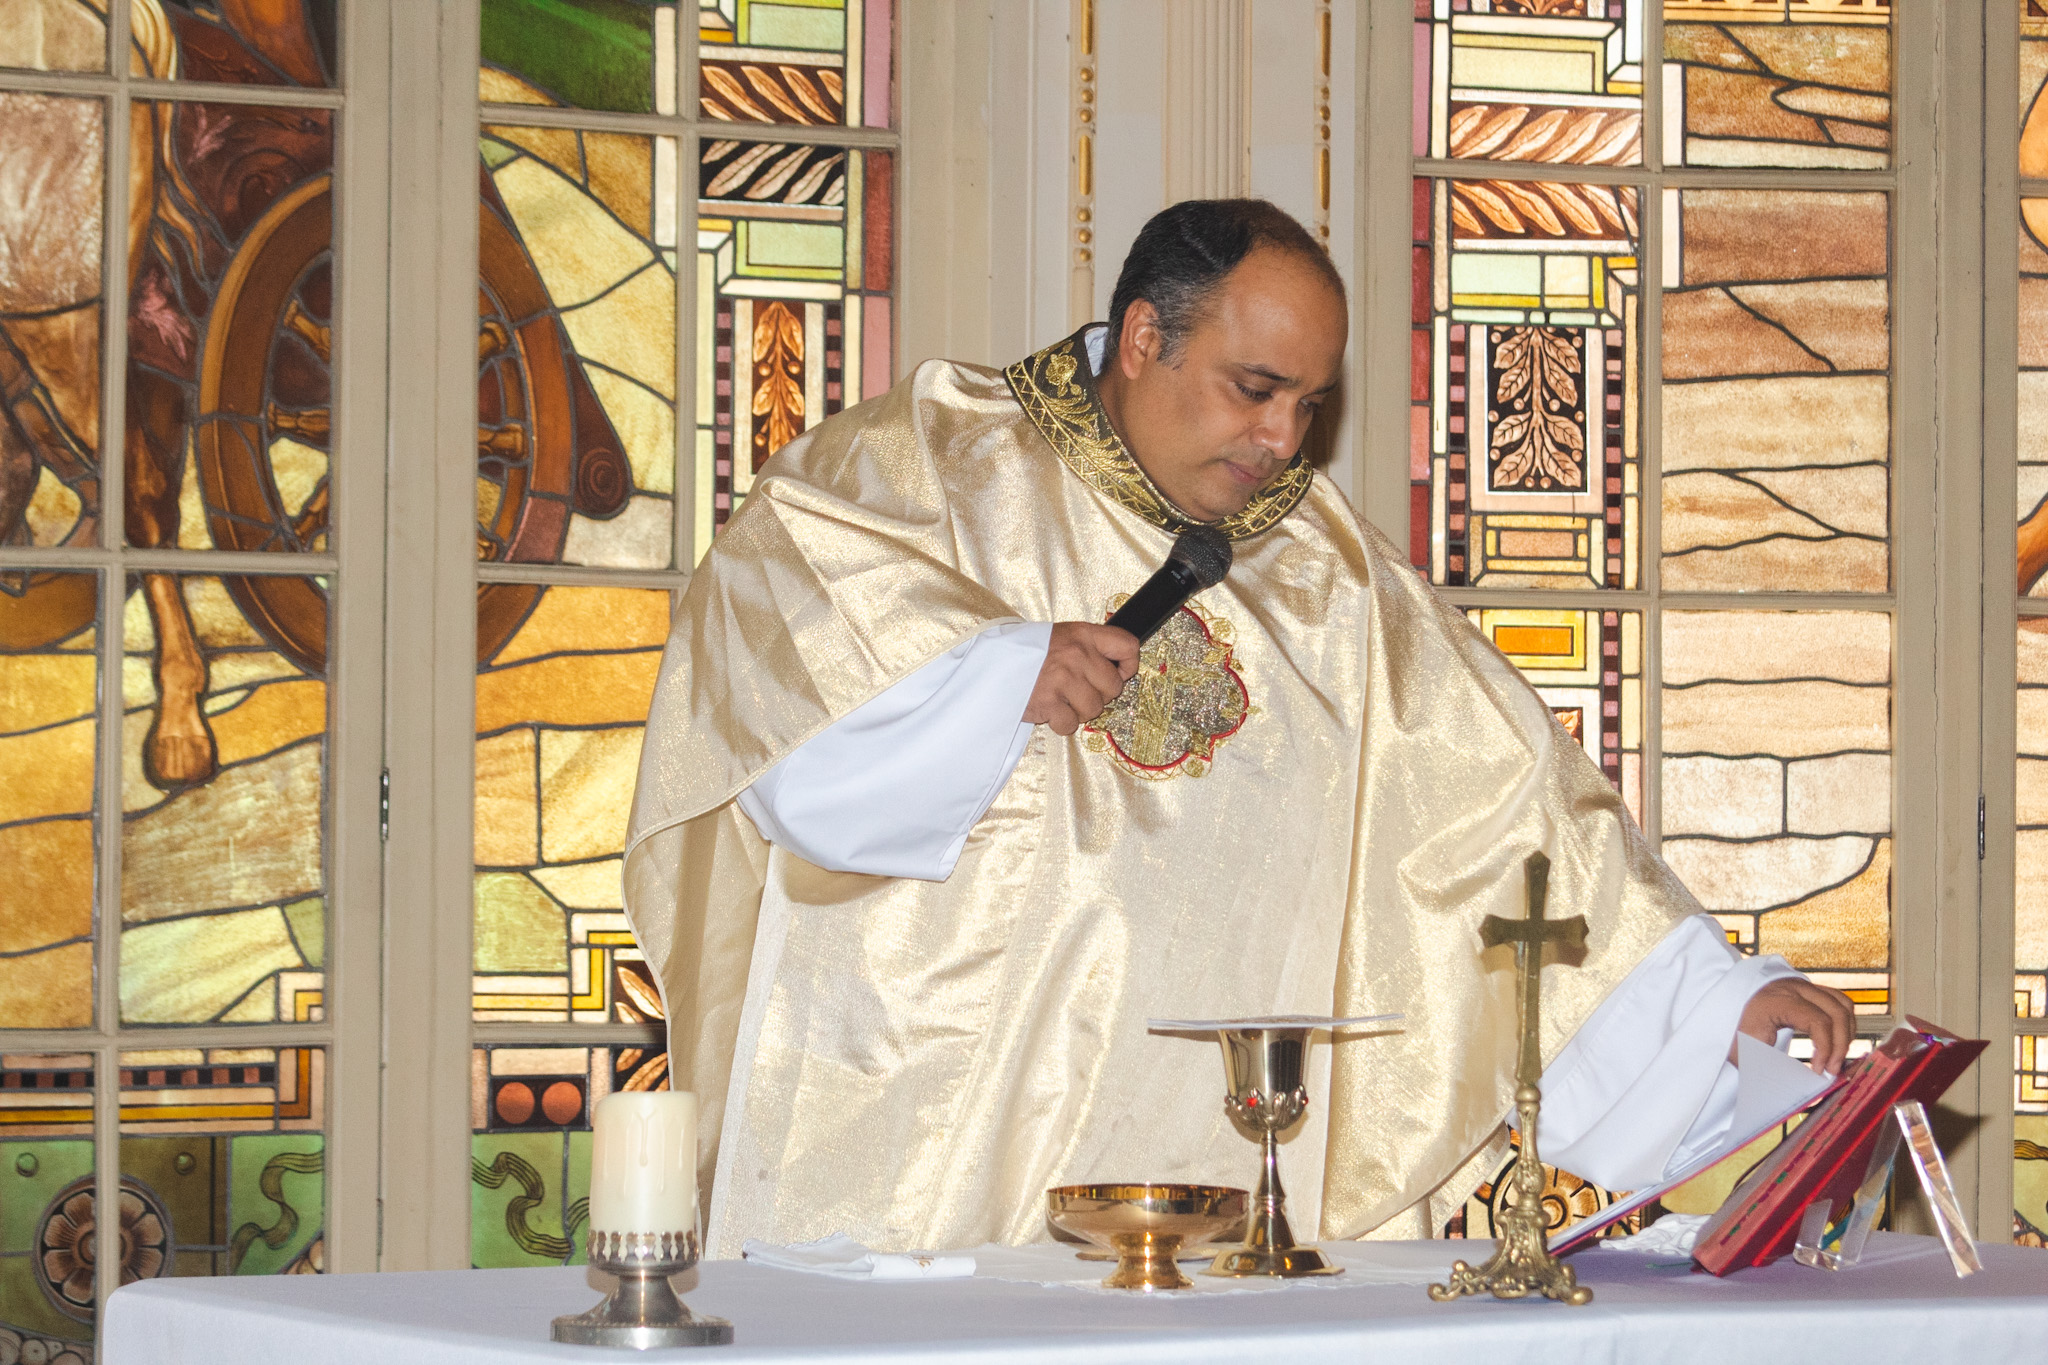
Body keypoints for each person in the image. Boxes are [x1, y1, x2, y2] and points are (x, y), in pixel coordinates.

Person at [623, 199, 1855, 1256]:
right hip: (928, 1135)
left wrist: (1712, 1000)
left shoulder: (1325, 568)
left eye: (1308, 407)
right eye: (1254, 389)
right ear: (1144, 337)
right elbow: (779, 725)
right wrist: (986, 673)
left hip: (1234, 1167)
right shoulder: (917, 467)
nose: (1279, 441)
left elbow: (1505, 808)